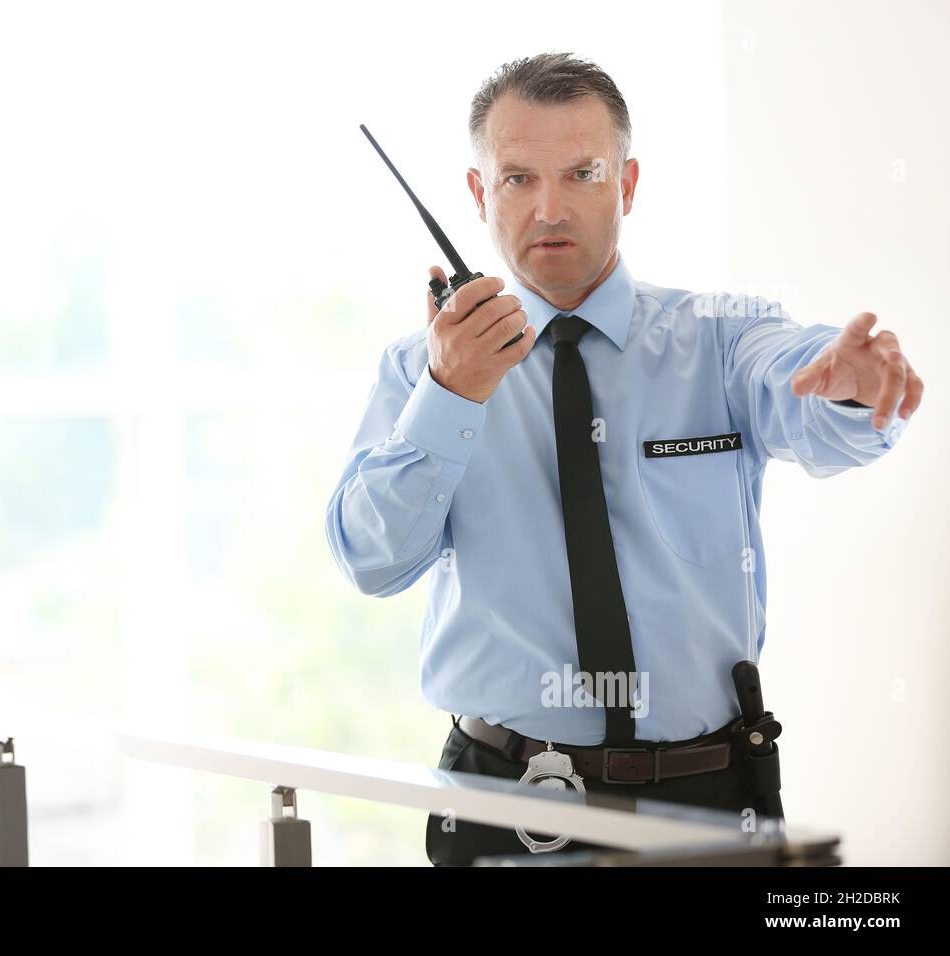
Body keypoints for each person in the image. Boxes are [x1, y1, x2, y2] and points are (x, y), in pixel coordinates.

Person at [324, 52, 923, 866]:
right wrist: (450, 395)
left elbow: (797, 381)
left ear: (628, 184)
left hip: (710, 800)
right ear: (477, 194)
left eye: (582, 173)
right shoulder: (418, 370)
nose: (548, 208)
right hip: (503, 798)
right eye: (517, 180)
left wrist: (851, 388)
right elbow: (371, 560)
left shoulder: (719, 339)